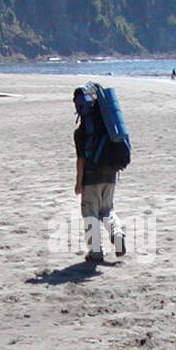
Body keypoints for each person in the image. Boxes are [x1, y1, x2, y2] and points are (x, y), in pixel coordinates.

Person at [73, 86, 126, 264]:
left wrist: (78, 182)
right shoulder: (107, 126)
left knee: (90, 214)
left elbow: (81, 159)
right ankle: (117, 232)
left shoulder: (81, 133)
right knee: (107, 210)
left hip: (91, 177)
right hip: (110, 174)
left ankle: (95, 253)